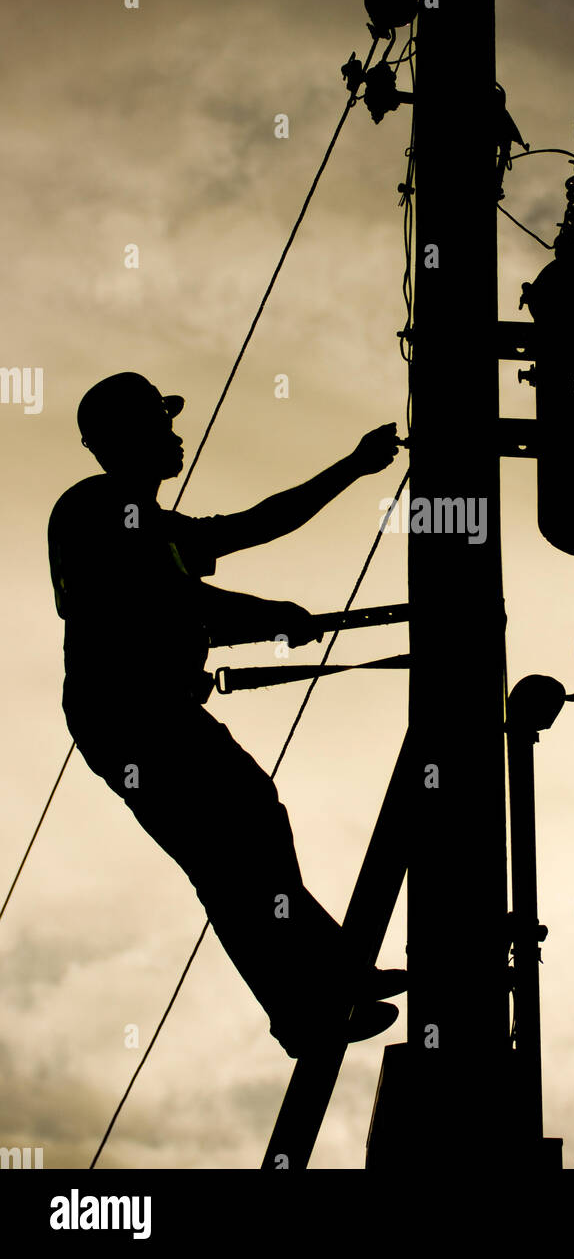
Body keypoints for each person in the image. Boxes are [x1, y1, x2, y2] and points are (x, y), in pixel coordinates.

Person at [48, 371, 406, 1056]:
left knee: (243, 839)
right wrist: (270, 617)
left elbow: (254, 526)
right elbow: (168, 602)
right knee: (237, 843)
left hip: (143, 714)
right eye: (162, 421)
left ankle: (322, 987)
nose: (176, 434)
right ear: (128, 434)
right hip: (134, 715)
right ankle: (319, 993)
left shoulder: (146, 524)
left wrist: (354, 468)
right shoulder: (99, 511)